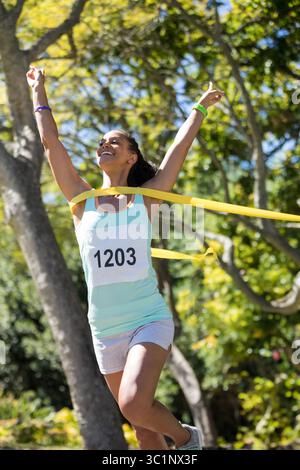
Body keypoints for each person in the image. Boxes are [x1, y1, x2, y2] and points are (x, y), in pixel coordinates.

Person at [27, 65, 224, 450]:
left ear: (132, 157)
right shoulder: (81, 201)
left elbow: (176, 153)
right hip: (104, 329)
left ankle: (188, 440)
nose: (105, 145)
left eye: (115, 142)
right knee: (142, 428)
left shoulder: (145, 198)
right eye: (102, 141)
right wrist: (39, 91)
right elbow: (52, 145)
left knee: (135, 403)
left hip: (146, 317)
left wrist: (198, 108)